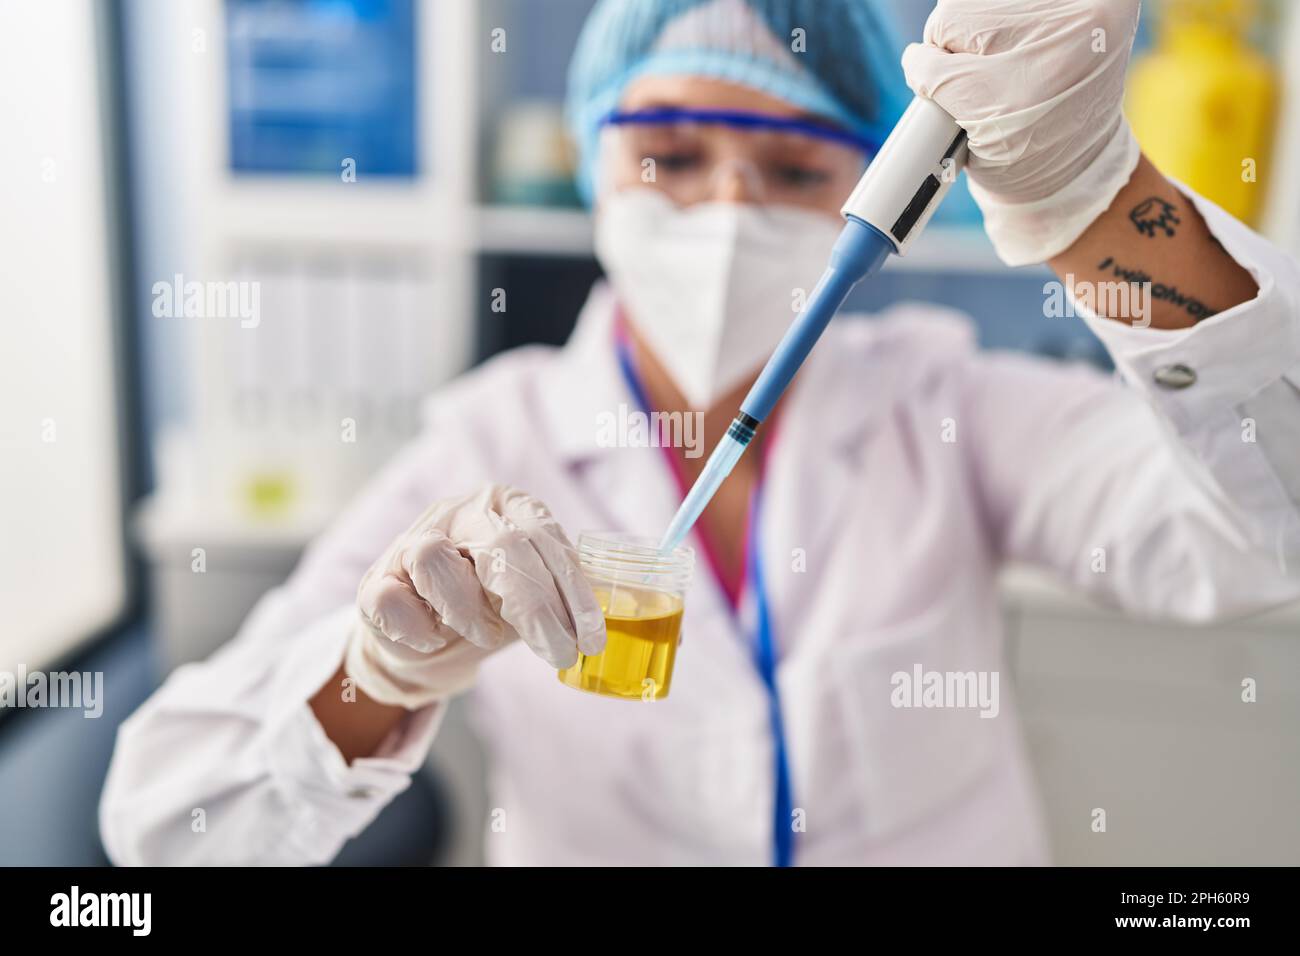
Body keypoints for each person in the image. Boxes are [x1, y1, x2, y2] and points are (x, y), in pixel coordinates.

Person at [101, 0, 1300, 865]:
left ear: (863, 195)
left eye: (788, 168)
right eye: (670, 154)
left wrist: (1095, 211)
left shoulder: (946, 398)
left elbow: (1265, 535)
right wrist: (377, 671)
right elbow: (167, 826)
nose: (727, 205)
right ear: (593, 165)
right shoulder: (490, 439)